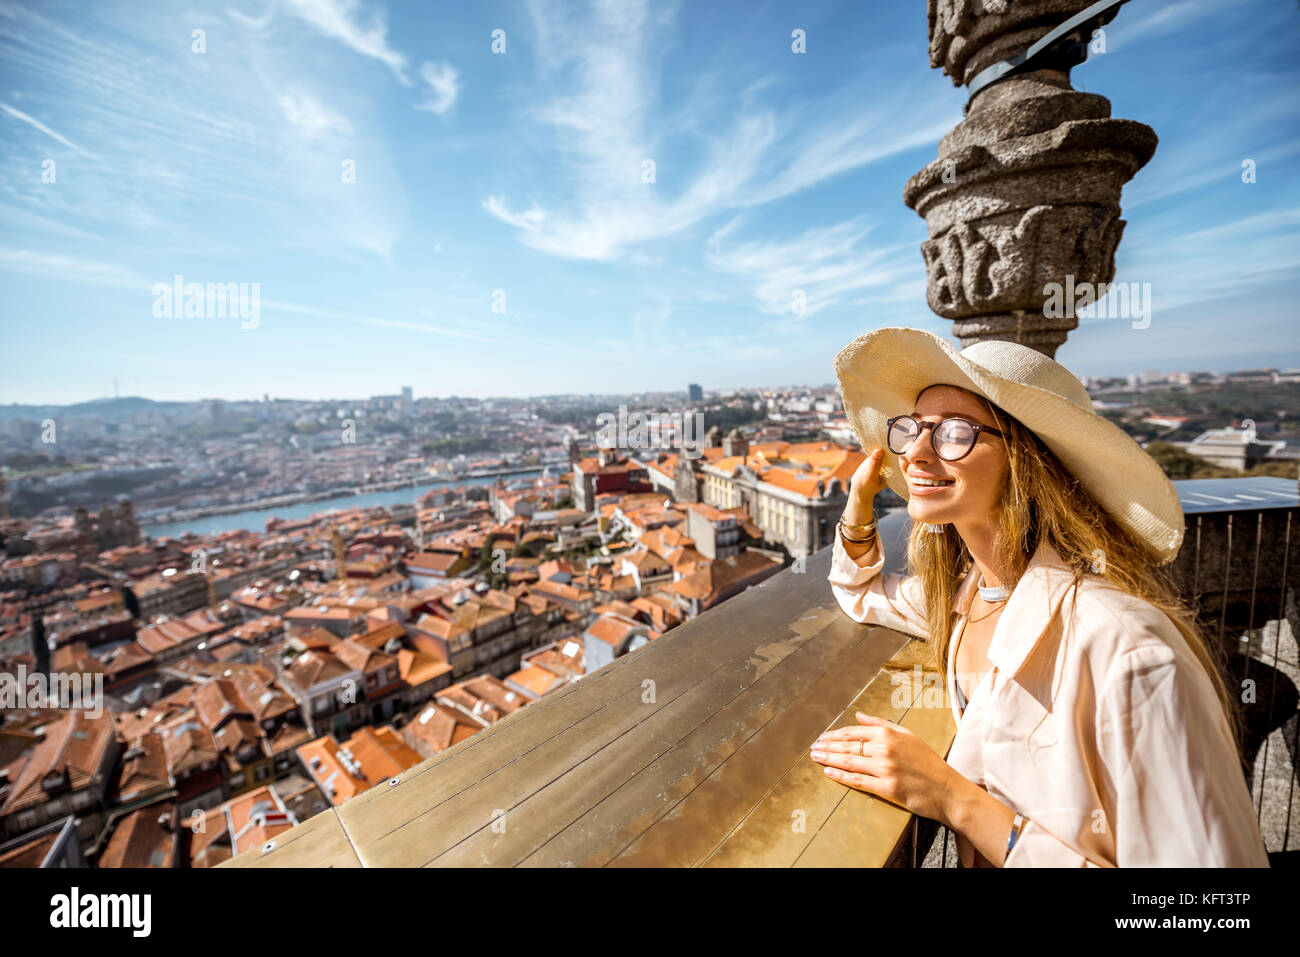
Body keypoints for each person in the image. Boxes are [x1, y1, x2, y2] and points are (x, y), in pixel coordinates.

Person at [809, 326, 1270, 867]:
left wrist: (949, 796)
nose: (915, 452)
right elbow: (859, 593)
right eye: (911, 430)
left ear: (1027, 460)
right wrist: (860, 501)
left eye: (955, 432)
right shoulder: (970, 597)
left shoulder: (1126, 649)